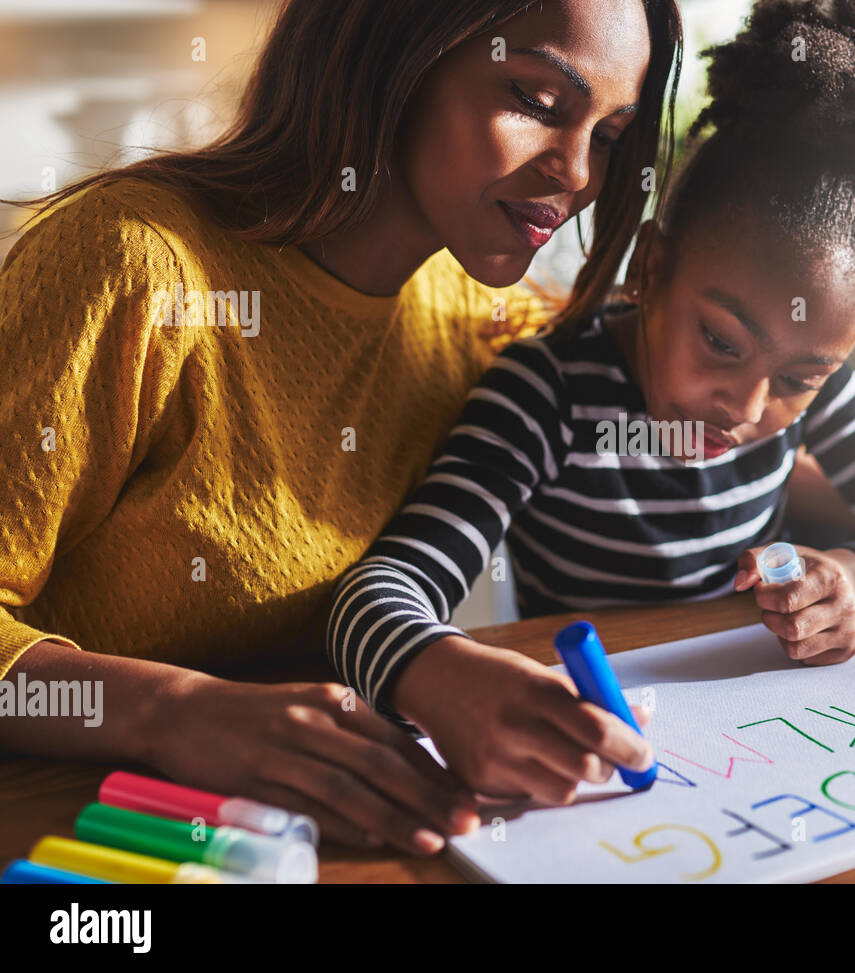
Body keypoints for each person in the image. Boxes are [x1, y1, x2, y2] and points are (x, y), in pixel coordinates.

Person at [0, 0, 685, 855]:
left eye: (611, 137)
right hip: (77, 835)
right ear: (393, 50)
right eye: (538, 100)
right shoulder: (130, 266)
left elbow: (690, 415)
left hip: (297, 838)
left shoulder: (475, 317)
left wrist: (840, 560)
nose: (579, 172)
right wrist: (175, 711)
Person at [329, 0, 855, 809]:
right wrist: (438, 671)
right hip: (606, 751)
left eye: (803, 375)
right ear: (653, 266)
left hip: (759, 750)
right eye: (721, 342)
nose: (748, 403)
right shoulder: (546, 393)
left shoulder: (806, 393)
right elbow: (377, 591)